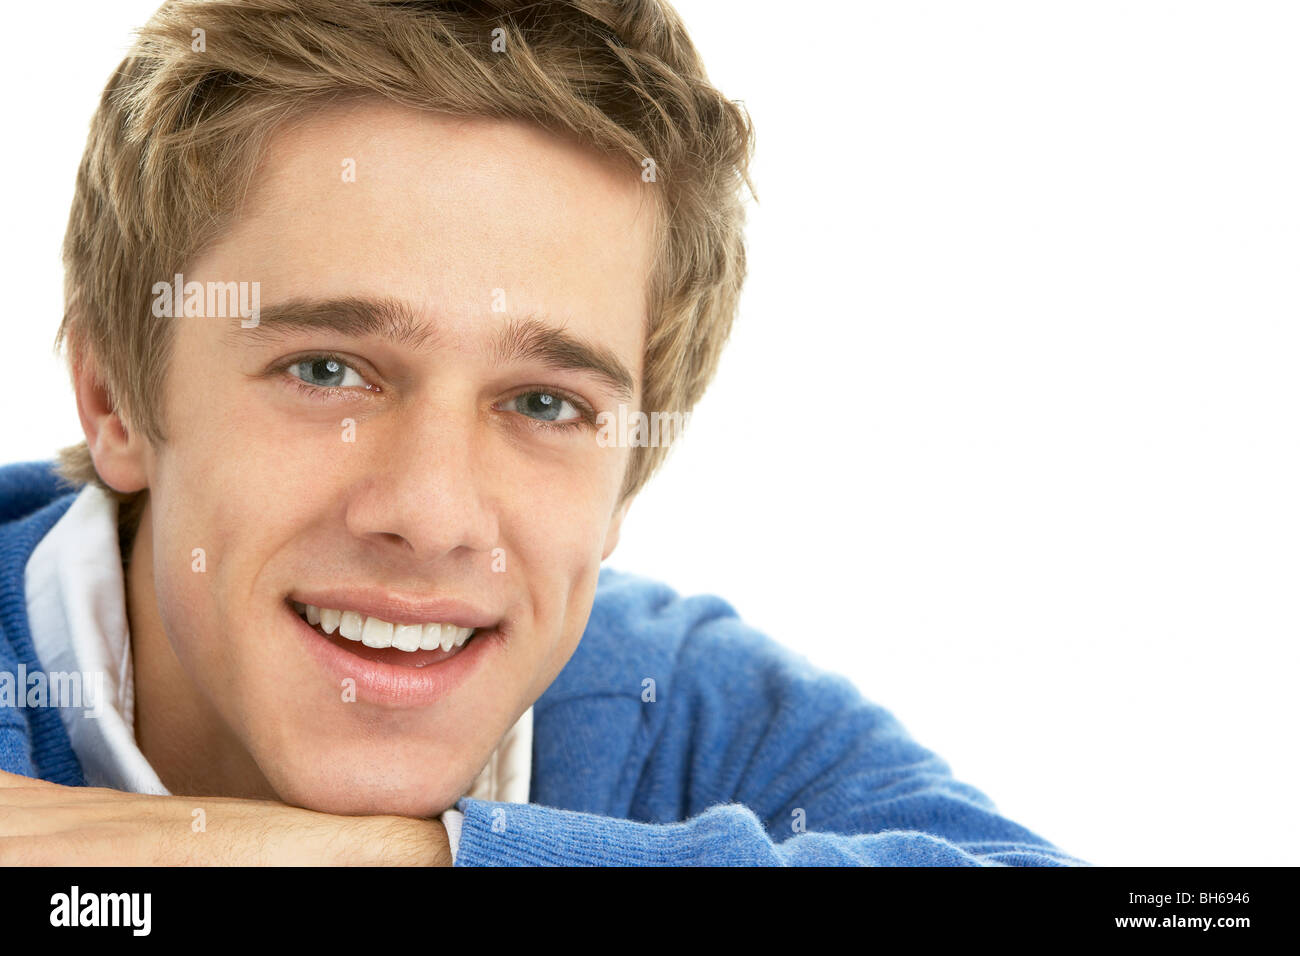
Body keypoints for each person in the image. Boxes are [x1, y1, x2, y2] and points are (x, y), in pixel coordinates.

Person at [0, 0, 1085, 866]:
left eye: (543, 404)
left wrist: (387, 862)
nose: (430, 514)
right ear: (114, 400)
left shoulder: (666, 699)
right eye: (327, 370)